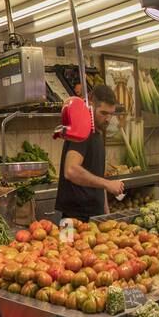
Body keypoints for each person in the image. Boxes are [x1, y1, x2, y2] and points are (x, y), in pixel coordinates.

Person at [54, 85, 124, 221]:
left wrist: (106, 213)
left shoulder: (96, 132)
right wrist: (107, 184)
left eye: (111, 113)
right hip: (74, 219)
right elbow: (70, 170)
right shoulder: (82, 131)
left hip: (94, 216)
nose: (108, 119)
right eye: (103, 113)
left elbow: (97, 175)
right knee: (65, 243)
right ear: (91, 106)